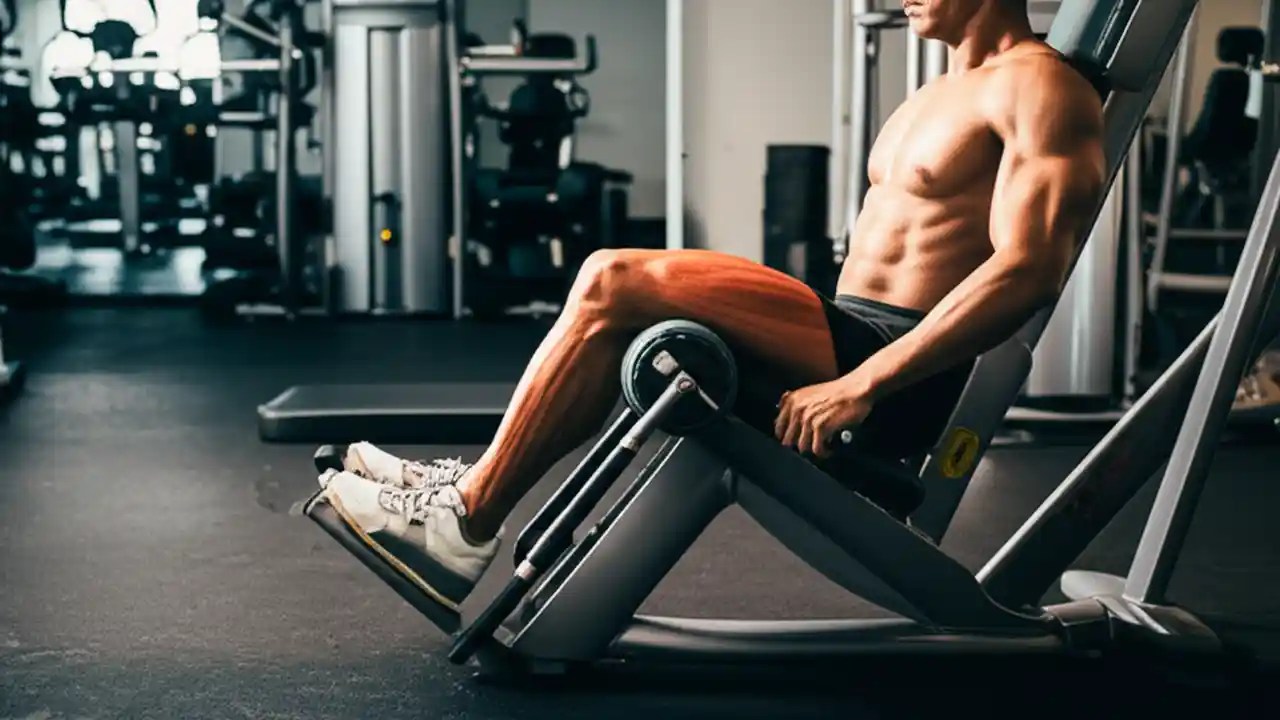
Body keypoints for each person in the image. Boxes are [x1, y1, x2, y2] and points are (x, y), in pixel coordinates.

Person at [313, 0, 1107, 607]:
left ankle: (464, 521)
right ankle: (469, 500)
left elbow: (1031, 268)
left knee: (611, 276)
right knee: (614, 315)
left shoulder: (1042, 86)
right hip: (847, 330)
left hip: (892, 372)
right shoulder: (938, 92)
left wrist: (862, 385)